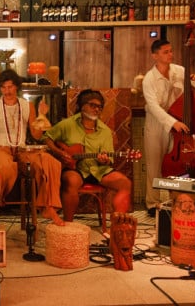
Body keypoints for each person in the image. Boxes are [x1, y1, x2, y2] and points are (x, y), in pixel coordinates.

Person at [0, 69, 64, 225]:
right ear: (0, 89)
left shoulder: (27, 105)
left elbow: (35, 135)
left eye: (10, 87)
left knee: (51, 162)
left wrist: (42, 116)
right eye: (3, 87)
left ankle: (48, 206)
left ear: (17, 87)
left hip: (21, 150)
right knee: (7, 167)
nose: (7, 91)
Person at [44, 89, 132, 222]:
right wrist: (60, 153)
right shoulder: (67, 124)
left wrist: (105, 160)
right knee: (71, 181)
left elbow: (109, 161)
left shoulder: (105, 131)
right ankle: (69, 224)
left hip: (98, 170)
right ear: (82, 106)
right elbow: (46, 138)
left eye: (99, 107)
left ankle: (118, 223)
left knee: (125, 183)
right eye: (92, 105)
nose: (97, 109)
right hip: (75, 169)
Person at [142, 38, 195, 216]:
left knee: (177, 164)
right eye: (165, 52)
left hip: (179, 121)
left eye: (171, 51)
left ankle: (177, 199)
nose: (170, 54)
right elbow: (153, 107)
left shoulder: (180, 70)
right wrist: (172, 122)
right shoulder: (149, 79)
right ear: (154, 56)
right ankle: (152, 204)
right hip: (157, 123)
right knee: (154, 165)